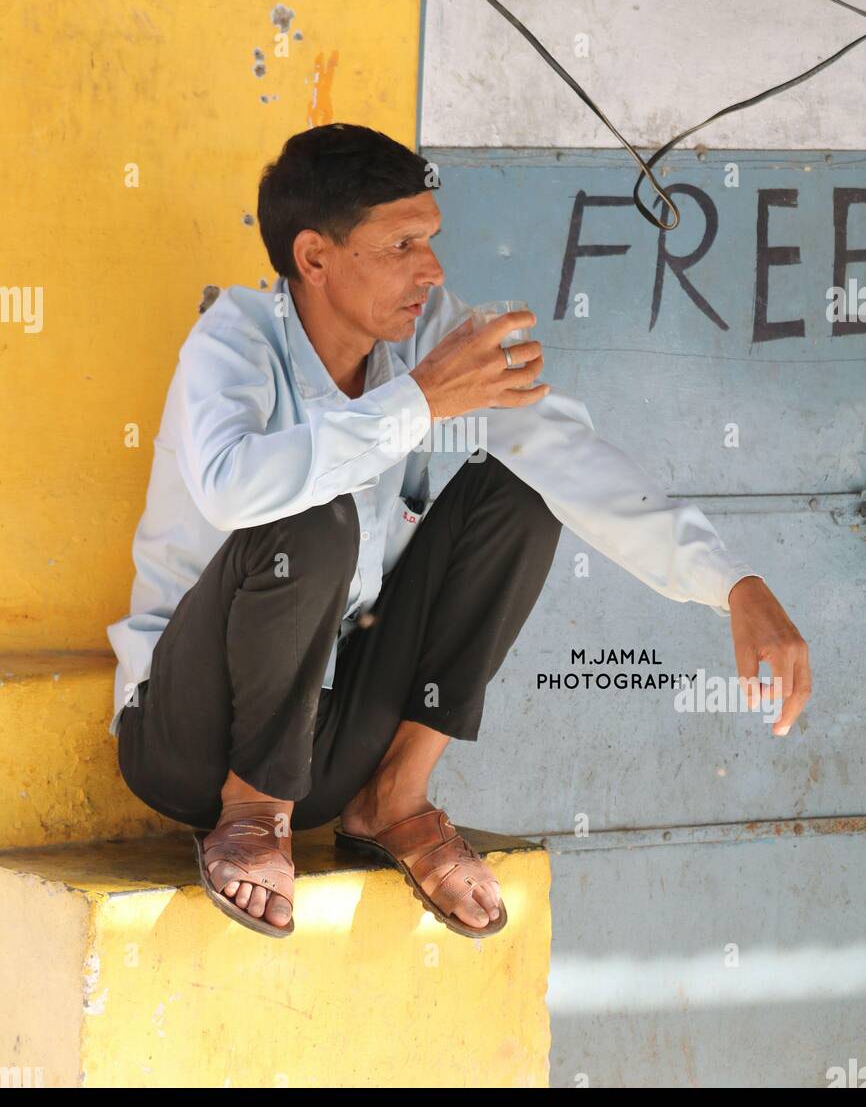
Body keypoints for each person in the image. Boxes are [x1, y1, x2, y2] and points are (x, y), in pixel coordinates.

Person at [108, 122, 812, 940]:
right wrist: (419, 404)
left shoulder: (429, 331)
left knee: (526, 488)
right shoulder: (233, 340)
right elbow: (235, 488)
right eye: (401, 243)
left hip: (324, 752)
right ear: (314, 258)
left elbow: (568, 456)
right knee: (315, 508)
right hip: (186, 740)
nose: (431, 269)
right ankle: (252, 811)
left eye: (430, 239)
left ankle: (391, 796)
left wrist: (735, 585)